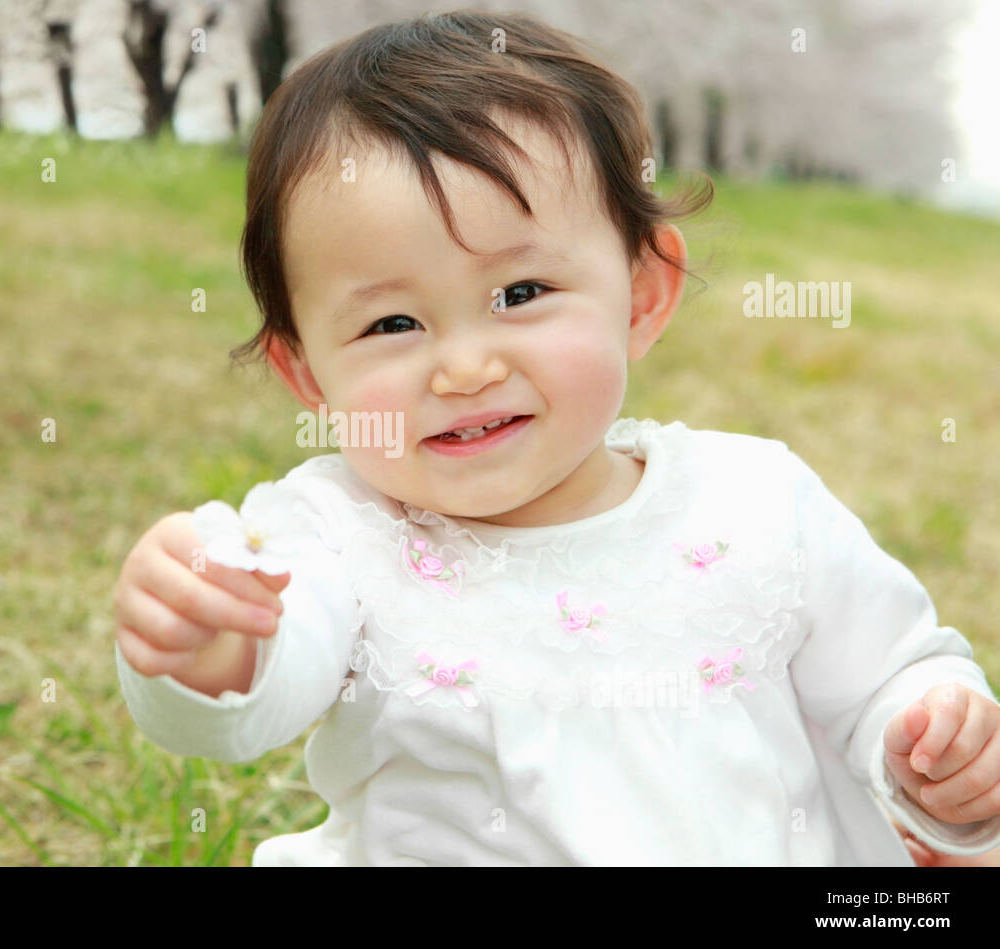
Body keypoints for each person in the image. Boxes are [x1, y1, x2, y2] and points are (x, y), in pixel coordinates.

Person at [112, 9, 1000, 865]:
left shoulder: (758, 502)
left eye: (521, 294)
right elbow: (252, 697)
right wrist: (213, 650)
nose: (463, 368)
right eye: (391, 324)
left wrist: (935, 749)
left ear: (643, 296)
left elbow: (887, 679)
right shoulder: (332, 536)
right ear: (308, 375)